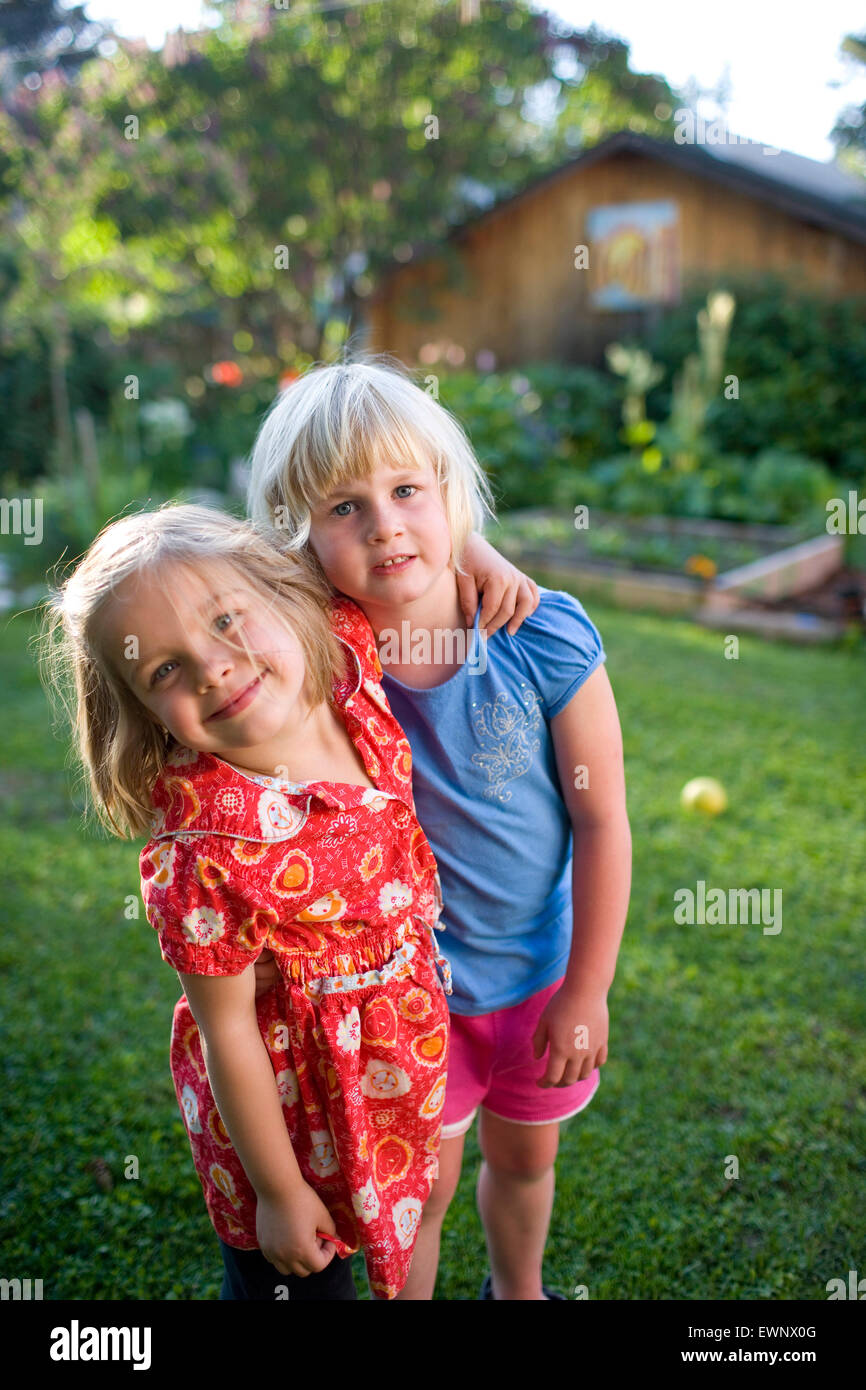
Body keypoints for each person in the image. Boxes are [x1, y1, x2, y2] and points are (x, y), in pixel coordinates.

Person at [246, 353, 633, 1301]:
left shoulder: (543, 636)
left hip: (540, 977)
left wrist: (587, 990)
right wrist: (456, 543)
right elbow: (224, 589)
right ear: (303, 539)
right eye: (344, 508)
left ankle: (520, 1289)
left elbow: (603, 818)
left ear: (453, 493)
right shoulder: (326, 653)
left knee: (527, 1160)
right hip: (409, 998)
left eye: (408, 489)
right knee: (420, 1191)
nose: (384, 526)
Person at [39, 501, 467, 1301]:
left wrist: (489, 560)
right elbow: (226, 1027)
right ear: (139, 710)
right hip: (288, 1122)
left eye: (227, 619)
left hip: (399, 1058)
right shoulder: (204, 850)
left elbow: (396, 548)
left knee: (417, 1216)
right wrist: (277, 1192)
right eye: (164, 670)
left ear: (282, 592)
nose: (212, 667)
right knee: (303, 1281)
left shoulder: (345, 659)